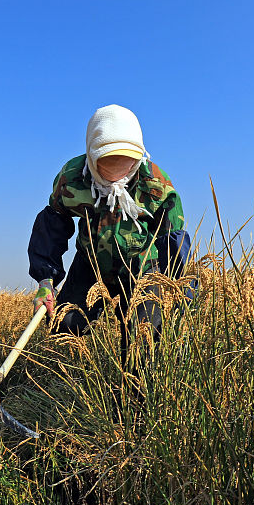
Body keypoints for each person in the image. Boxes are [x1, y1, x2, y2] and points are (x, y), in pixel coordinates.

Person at [27, 104, 190, 359]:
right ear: (92, 157)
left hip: (141, 266)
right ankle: (70, 382)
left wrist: (176, 289)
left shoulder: (156, 185)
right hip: (90, 261)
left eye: (127, 166)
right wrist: (45, 280)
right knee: (65, 323)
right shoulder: (72, 179)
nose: (116, 179)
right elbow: (53, 223)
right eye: (106, 167)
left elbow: (172, 240)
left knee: (144, 338)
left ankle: (134, 393)